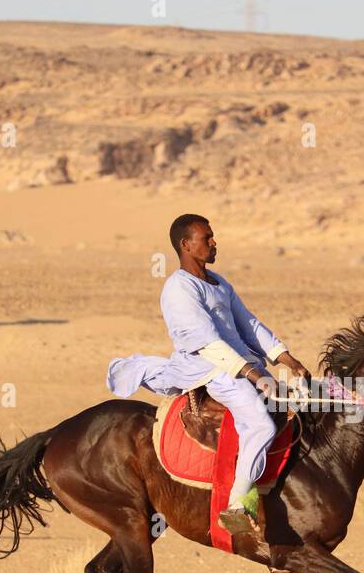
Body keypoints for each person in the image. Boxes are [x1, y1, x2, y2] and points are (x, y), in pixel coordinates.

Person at [107, 214, 311, 535]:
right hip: (212, 371)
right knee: (258, 423)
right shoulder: (179, 288)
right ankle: (238, 506)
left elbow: (249, 324)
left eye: (213, 236)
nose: (214, 242)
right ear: (186, 245)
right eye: (207, 238)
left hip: (241, 365)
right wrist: (253, 376)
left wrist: (287, 358)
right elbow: (205, 342)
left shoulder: (218, 282)